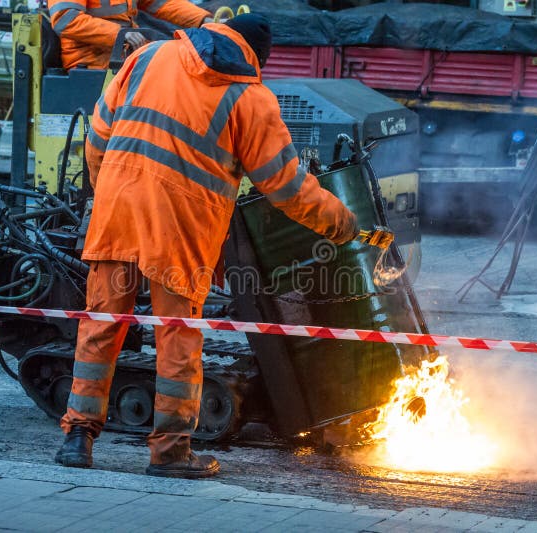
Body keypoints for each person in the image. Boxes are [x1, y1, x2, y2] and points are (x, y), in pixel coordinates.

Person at [54, 13, 359, 478]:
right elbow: (286, 186)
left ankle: (78, 438)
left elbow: (97, 137)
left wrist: (109, 193)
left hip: (117, 214)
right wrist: (340, 222)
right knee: (176, 335)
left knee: (101, 324)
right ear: (256, 57)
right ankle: (171, 452)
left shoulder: (147, 56)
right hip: (179, 232)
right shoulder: (250, 97)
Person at [48, 0, 211, 70]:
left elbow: (160, 3)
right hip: (90, 64)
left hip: (124, 57)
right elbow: (65, 19)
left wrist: (203, 19)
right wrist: (120, 34)